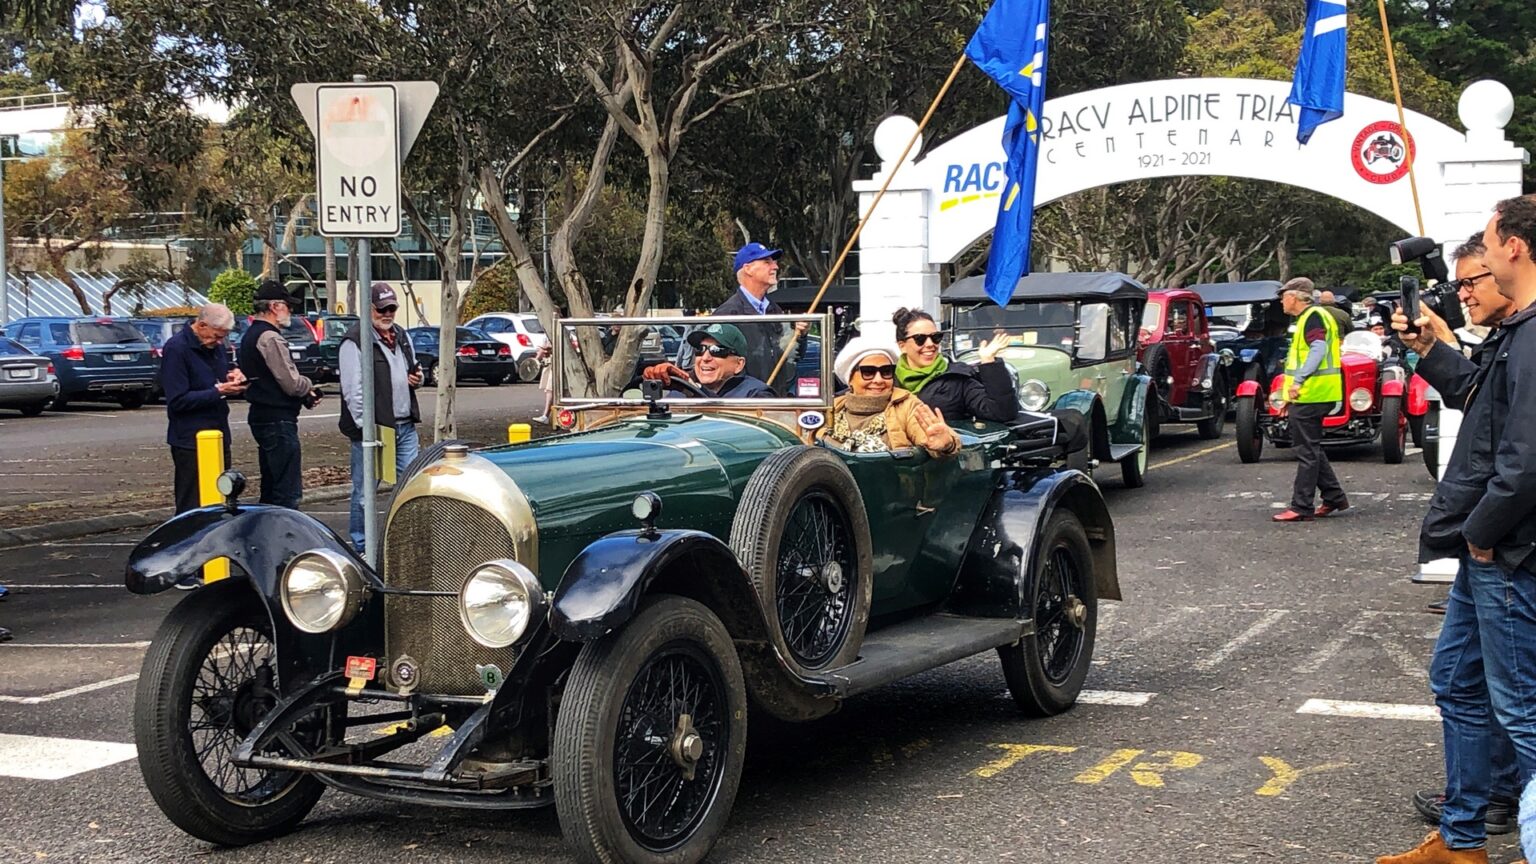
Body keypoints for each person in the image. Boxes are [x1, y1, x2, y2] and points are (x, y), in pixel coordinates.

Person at [1377, 196, 1536, 864]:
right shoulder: (1519, 331)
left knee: (1522, 712)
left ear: (1517, 248)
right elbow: (1483, 401)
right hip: (1491, 547)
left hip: (1509, 549)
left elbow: (1527, 458)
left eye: (1490, 246)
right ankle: (1462, 838)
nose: (1479, 264)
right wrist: (1432, 350)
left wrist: (1482, 530)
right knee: (1459, 683)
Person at [339, 283, 423, 555]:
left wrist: (417, 380)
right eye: (382, 308)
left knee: (412, 486)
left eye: (392, 309)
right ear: (369, 308)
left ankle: (406, 542)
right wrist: (366, 430)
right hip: (374, 429)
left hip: (405, 425)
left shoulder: (401, 336)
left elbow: (413, 372)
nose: (387, 314)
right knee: (365, 493)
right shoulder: (355, 341)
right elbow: (354, 391)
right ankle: (363, 547)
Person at [1271, 277, 1348, 523]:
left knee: (1306, 451)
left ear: (1294, 297)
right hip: (1314, 393)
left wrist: (1297, 382)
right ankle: (1334, 497)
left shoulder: (1313, 317)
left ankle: (1302, 506)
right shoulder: (1312, 317)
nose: (1282, 301)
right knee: (1310, 447)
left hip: (1312, 393)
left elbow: (1318, 350)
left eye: (1283, 296)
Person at [239, 280, 322, 509]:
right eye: (287, 305)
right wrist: (309, 387)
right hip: (277, 419)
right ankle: (284, 537)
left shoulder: (249, 335)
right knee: (286, 491)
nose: (291, 310)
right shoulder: (270, 337)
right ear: (275, 307)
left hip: (262, 414)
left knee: (271, 485)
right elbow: (291, 382)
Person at [162, 303, 245, 514]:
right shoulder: (177, 349)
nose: (219, 342)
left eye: (223, 337)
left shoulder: (215, 347)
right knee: (192, 502)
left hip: (218, 433)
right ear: (201, 325)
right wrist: (218, 391)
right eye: (216, 336)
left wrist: (234, 375)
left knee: (222, 495)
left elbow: (221, 373)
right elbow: (177, 400)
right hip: (190, 439)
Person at [817, 337, 959, 457]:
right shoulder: (833, 408)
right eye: (868, 372)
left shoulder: (907, 405)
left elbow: (932, 438)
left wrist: (947, 445)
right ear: (850, 379)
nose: (879, 380)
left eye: (886, 371)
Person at [891, 307, 1018, 422]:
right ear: (902, 346)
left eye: (936, 337)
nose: (930, 344)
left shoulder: (958, 379)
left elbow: (1002, 412)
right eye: (920, 339)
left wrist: (989, 361)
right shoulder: (886, 379)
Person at [713, 242, 807, 394]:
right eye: (767, 262)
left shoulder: (775, 311)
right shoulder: (727, 314)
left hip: (776, 401)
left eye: (774, 262)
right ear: (748, 269)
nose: (775, 267)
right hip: (747, 405)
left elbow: (791, 357)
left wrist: (799, 336)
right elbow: (718, 366)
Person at [641, 323, 774, 397]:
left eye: (717, 351)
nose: (705, 357)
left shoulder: (756, 395)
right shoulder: (678, 390)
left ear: (739, 364)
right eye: (700, 349)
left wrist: (693, 390)